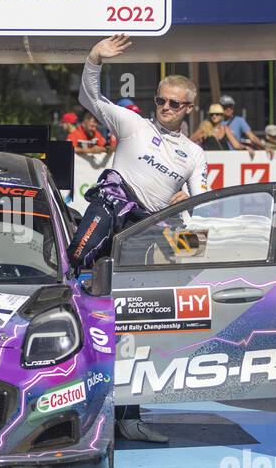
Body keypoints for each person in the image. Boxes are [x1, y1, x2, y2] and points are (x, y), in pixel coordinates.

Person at [70, 34, 210, 444]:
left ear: (188, 108)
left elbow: (200, 202)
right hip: (111, 208)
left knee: (131, 326)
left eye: (174, 103)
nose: (165, 108)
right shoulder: (131, 122)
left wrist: (187, 200)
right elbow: (89, 98)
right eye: (161, 100)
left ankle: (129, 418)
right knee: (77, 273)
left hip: (143, 233)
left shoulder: (194, 154)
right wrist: (95, 58)